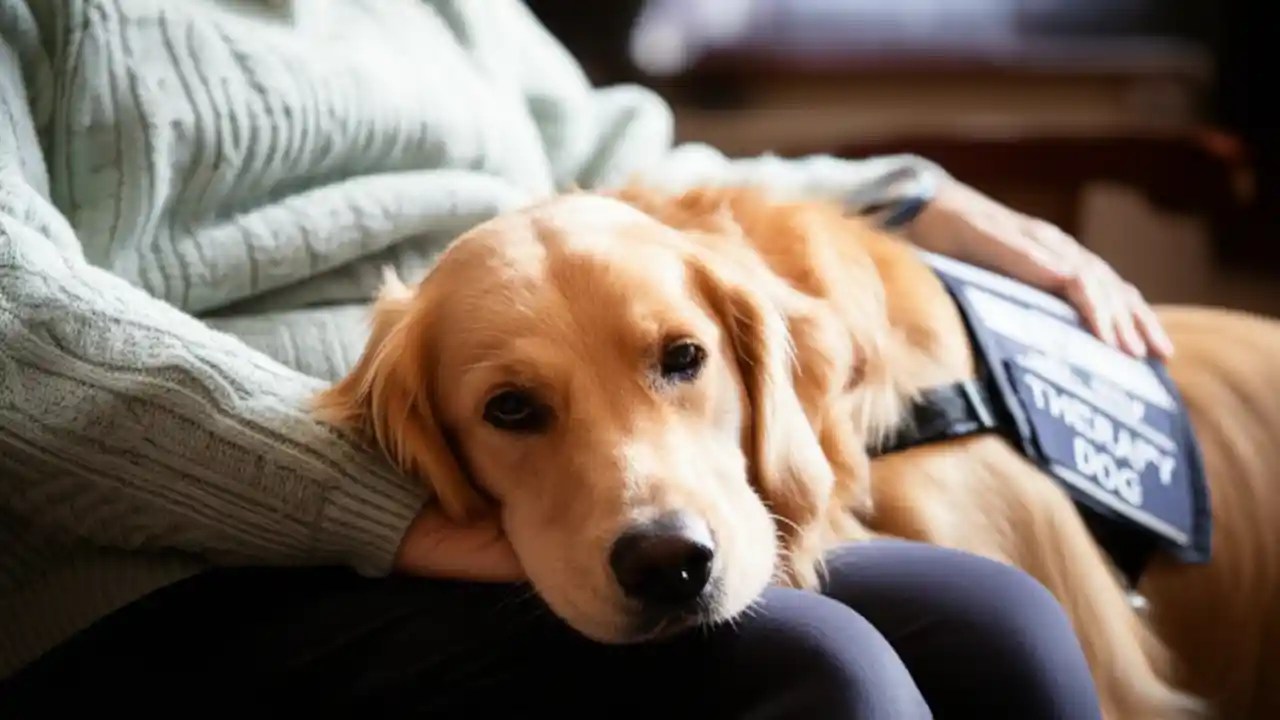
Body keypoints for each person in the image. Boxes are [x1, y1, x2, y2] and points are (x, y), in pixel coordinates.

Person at [0, 1, 1169, 717]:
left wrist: (904, 195)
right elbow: (16, 327)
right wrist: (390, 511)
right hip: (177, 567)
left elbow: (617, 156)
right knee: (814, 673)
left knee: (995, 624)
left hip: (485, 509)